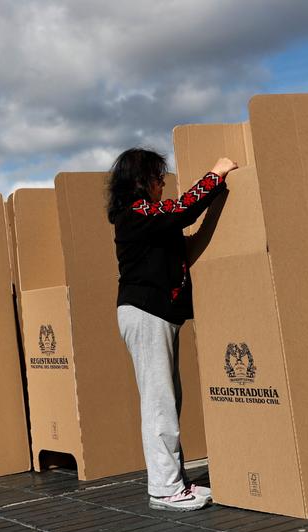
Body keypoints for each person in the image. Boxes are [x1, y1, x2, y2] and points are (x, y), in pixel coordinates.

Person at [108, 147, 237, 512]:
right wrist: (218, 173)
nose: (162, 182)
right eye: (157, 176)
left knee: (167, 399)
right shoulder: (136, 214)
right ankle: (165, 489)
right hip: (146, 313)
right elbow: (182, 209)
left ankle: (173, 481)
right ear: (140, 182)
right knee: (159, 401)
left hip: (156, 314)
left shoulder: (145, 219)